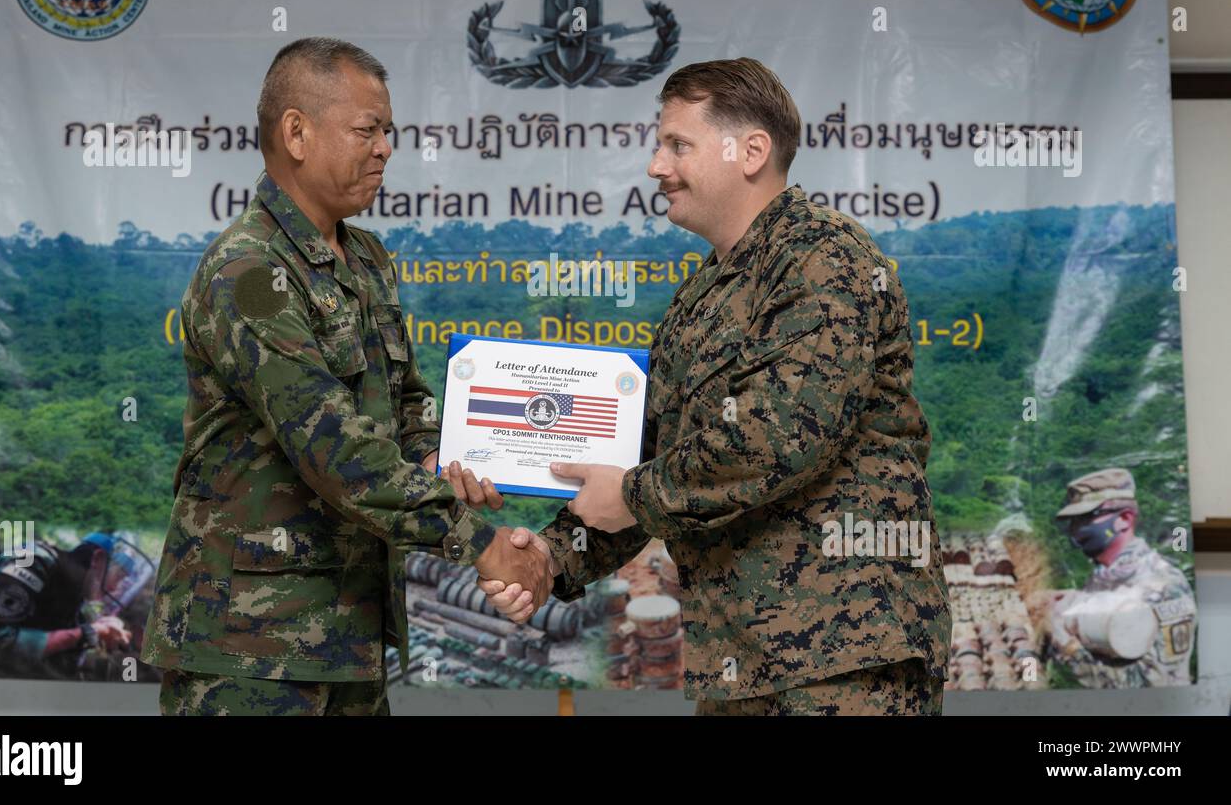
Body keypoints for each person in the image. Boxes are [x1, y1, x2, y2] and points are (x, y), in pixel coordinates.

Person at [473, 58, 952, 715]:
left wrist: (634, 494)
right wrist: (551, 558)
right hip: (740, 662)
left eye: (677, 145)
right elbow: (648, 462)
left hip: (843, 656)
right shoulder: (701, 297)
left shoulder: (824, 255)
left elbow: (780, 436)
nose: (655, 167)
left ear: (750, 150)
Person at [140, 37, 551, 715]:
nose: (386, 147)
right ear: (296, 132)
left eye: (388, 131)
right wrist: (480, 545)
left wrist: (441, 454)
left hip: (349, 634)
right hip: (249, 649)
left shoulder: (365, 259)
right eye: (368, 129)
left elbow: (404, 402)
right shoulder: (249, 270)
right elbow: (331, 444)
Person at [1046, 468, 1196, 687]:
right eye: (1073, 521)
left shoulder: (1165, 587)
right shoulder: (1102, 578)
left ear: (1124, 519)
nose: (1076, 529)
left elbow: (1148, 686)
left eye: (1086, 518)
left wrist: (1065, 644)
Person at [0, 535, 132, 679]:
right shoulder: (31, 562)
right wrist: (88, 633)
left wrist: (99, 636)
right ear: (97, 559)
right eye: (120, 575)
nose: (115, 588)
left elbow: (60, 662)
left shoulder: (73, 597)